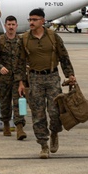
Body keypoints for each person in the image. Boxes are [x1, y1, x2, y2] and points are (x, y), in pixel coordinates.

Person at [17, 8, 77, 159]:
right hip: (34, 79)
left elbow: (64, 57)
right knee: (38, 115)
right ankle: (43, 145)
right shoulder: (24, 39)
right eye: (30, 20)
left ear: (43, 21)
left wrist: (70, 75)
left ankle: (55, 132)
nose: (31, 22)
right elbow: (19, 63)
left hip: (52, 78)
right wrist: (21, 83)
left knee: (55, 112)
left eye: (35, 20)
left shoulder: (53, 37)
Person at [0, 15, 27, 140]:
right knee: (5, 103)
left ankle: (20, 128)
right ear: (5, 26)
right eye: (9, 25)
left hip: (18, 78)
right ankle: (6, 124)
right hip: (3, 79)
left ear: (16, 26)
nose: (11, 27)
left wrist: (22, 80)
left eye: (13, 25)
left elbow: (24, 60)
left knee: (19, 103)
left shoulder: (21, 41)